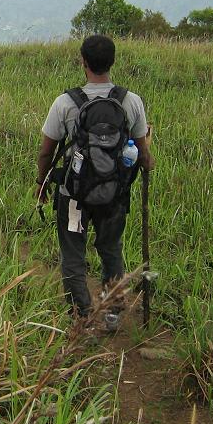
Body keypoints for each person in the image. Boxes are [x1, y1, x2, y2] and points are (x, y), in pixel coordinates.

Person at [36, 34, 154, 326]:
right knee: (111, 250)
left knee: (73, 254)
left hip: (74, 194)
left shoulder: (65, 103)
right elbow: (143, 154)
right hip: (115, 194)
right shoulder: (131, 101)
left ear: (83, 62)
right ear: (112, 62)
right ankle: (112, 314)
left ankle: (82, 316)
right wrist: (146, 160)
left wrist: (42, 183)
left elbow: (46, 151)